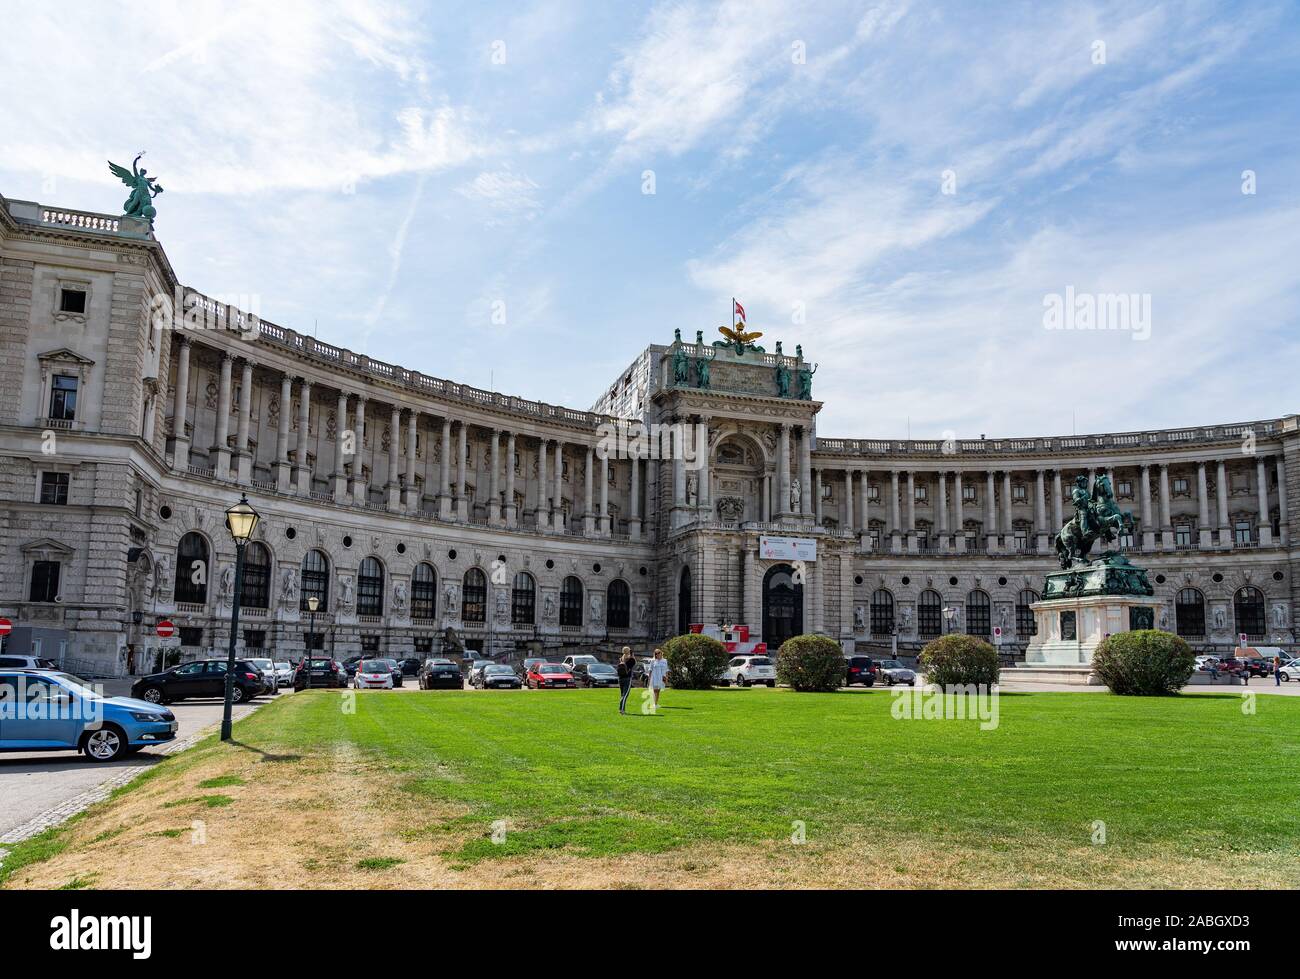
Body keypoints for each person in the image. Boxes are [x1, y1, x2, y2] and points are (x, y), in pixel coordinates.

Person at [616, 646, 635, 715]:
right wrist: (632, 655)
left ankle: (621, 709)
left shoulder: (621, 659)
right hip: (627, 678)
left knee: (622, 695)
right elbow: (633, 662)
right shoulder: (631, 660)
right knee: (625, 695)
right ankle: (622, 710)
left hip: (620, 678)